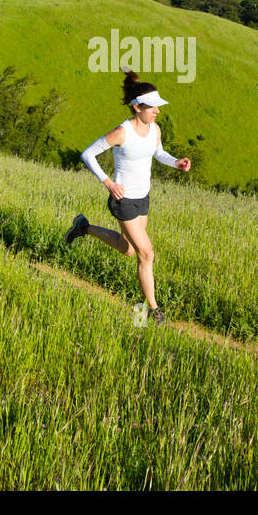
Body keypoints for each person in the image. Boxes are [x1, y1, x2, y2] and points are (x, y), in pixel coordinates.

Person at [65, 70, 191, 325]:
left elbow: (158, 153)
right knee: (147, 254)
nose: (157, 111)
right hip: (123, 200)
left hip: (143, 197)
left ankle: (83, 228)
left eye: (158, 107)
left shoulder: (154, 128)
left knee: (129, 250)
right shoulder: (122, 132)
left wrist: (175, 162)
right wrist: (109, 183)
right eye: (152, 107)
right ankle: (153, 312)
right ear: (137, 107)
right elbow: (88, 154)